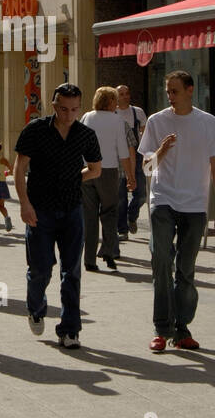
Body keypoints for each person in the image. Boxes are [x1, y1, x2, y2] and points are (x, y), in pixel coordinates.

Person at [140, 70, 215, 354]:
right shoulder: (156, 121)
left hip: (194, 205)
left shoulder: (207, 122)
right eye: (168, 91)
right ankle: (161, 329)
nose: (170, 96)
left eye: (175, 91)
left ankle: (182, 330)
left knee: (186, 271)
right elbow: (147, 168)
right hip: (163, 200)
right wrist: (161, 151)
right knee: (162, 261)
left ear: (191, 90)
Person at [13, 84, 102, 350]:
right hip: (39, 210)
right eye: (63, 109)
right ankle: (36, 307)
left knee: (71, 271)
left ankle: (69, 329)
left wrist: (75, 178)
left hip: (72, 209)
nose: (68, 115)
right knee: (40, 269)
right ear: (53, 105)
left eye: (74, 109)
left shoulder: (85, 134)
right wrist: (24, 203)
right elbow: (19, 169)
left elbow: (96, 169)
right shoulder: (36, 130)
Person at [82, 87, 133, 271]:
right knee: (110, 212)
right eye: (115, 100)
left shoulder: (87, 117)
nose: (117, 103)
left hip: (87, 170)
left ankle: (89, 259)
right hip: (108, 170)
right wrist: (130, 176)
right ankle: (109, 252)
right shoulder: (117, 119)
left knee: (89, 216)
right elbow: (123, 151)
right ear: (109, 102)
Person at [115, 84, 147, 240]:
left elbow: (145, 132)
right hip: (118, 157)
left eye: (127, 93)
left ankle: (131, 216)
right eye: (121, 94)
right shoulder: (112, 113)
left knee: (141, 194)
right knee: (120, 196)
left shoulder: (138, 112)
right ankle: (122, 230)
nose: (125, 96)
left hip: (138, 155)